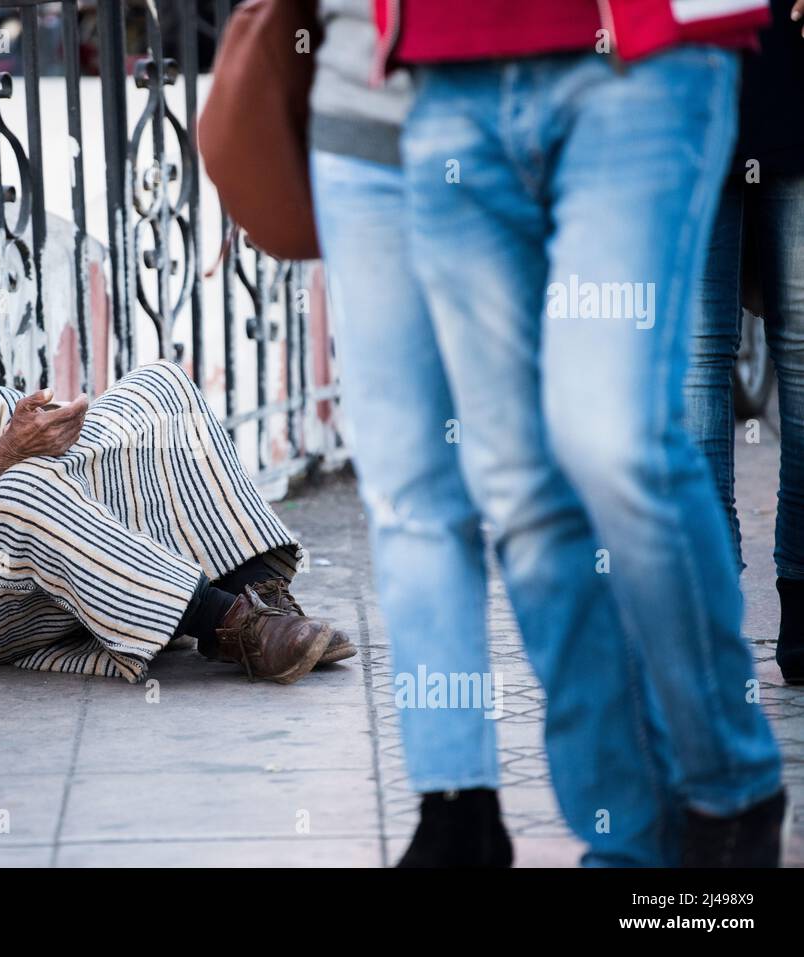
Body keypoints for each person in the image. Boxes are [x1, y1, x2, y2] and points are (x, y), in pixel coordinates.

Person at [380, 0, 787, 865]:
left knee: (612, 438)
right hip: (447, 68)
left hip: (641, 55)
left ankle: (731, 786)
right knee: (524, 495)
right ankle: (632, 846)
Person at [310, 0, 683, 867]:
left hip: (535, 94)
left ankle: (628, 829)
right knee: (408, 492)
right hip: (359, 110)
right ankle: (456, 808)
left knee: (538, 493)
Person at [0, 255, 356, 685]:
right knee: (28, 483)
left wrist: (55, 429)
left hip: (16, 569)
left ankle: (257, 593)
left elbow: (2, 419)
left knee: (159, 387)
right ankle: (230, 626)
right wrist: (8, 458)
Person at [684, 0, 804, 685]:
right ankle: (710, 605)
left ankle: (801, 596)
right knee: (700, 355)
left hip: (789, 63)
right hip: (688, 72)